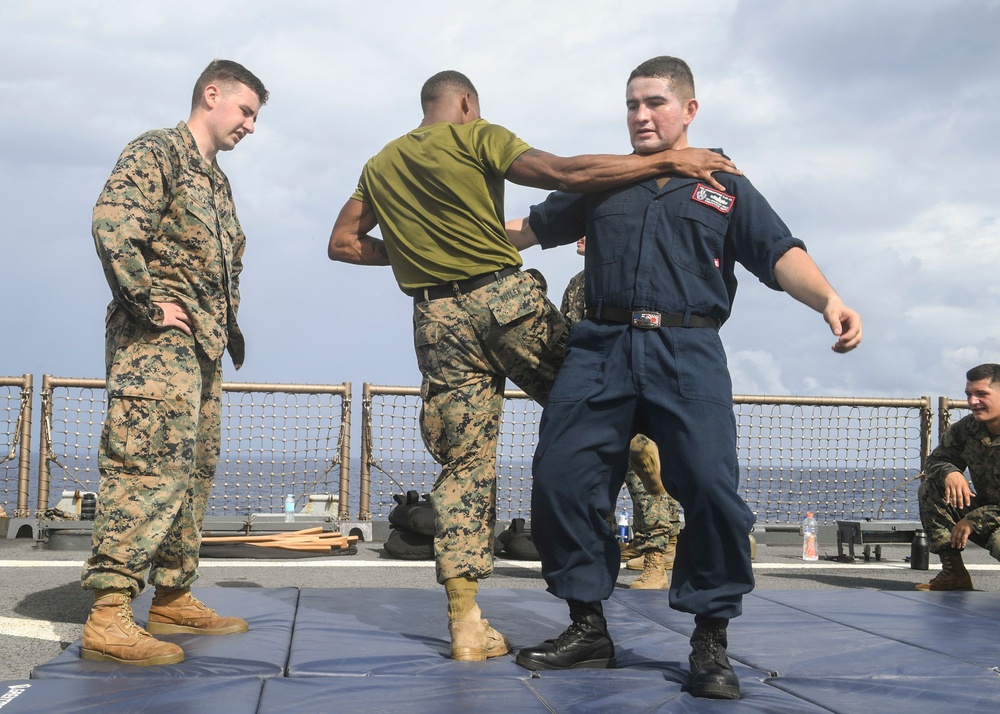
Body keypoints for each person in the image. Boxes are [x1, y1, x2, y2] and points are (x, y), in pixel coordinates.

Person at [327, 70, 739, 663]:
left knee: (464, 463)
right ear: (465, 103)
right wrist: (668, 162)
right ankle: (657, 524)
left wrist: (425, 251)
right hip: (504, 304)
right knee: (606, 400)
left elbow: (343, 243)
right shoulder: (478, 135)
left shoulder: (380, 164)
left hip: (437, 319)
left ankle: (466, 622)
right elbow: (565, 174)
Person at [506, 56, 862, 699]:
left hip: (687, 348)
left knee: (711, 487)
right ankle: (588, 628)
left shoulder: (726, 186)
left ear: (689, 110)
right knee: (562, 478)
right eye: (632, 105)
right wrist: (427, 242)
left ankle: (710, 639)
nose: (642, 116)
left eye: (656, 103)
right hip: (601, 346)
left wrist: (829, 300)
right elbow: (524, 232)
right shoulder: (601, 183)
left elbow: (780, 252)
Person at [81, 59, 269, 666]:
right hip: (155, 346)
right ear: (212, 95)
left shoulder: (216, 182)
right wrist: (147, 302)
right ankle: (109, 613)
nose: (250, 126)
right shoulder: (158, 151)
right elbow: (113, 223)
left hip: (201, 349)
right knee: (146, 466)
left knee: (192, 472)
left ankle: (172, 595)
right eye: (245, 111)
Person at [561, 237, 683, 590]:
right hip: (598, 393)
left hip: (637, 389)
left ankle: (657, 560)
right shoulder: (581, 283)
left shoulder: (634, 279)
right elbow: (568, 336)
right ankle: (622, 550)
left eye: (588, 231)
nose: (580, 238)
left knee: (645, 475)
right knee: (601, 476)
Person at [916, 363, 1000, 591]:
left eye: (981, 394)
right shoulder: (968, 428)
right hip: (990, 512)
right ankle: (953, 574)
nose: (973, 401)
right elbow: (936, 460)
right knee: (932, 488)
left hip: (990, 518)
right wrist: (950, 472)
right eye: (969, 394)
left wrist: (973, 520)